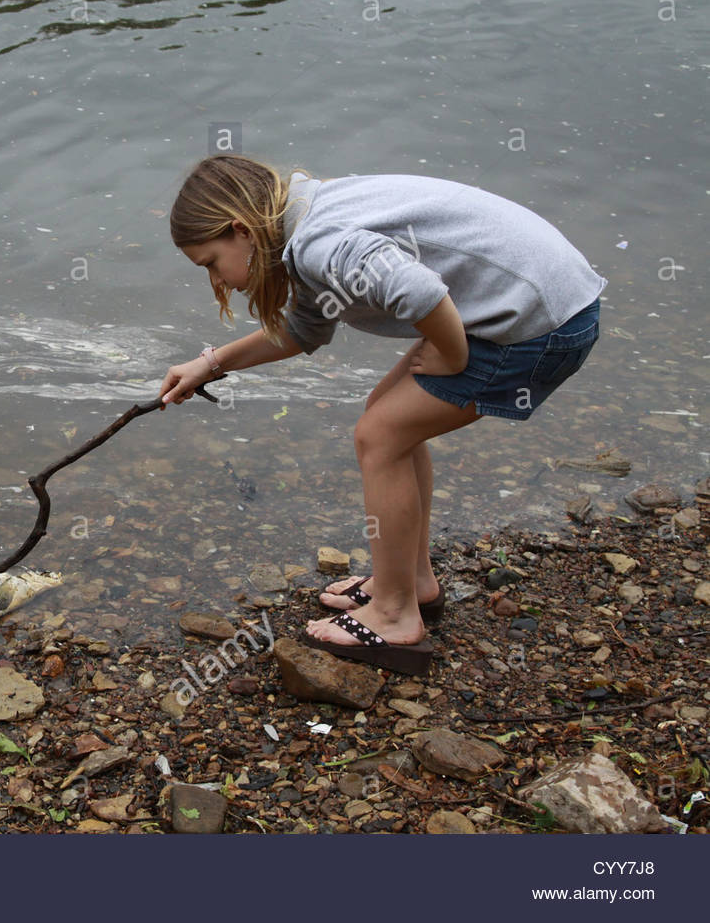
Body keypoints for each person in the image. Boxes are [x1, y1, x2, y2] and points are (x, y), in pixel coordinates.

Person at [158, 154, 605, 675]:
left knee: (381, 436)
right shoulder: (300, 219)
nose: (219, 280)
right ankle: (411, 583)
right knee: (386, 422)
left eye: (211, 262)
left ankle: (394, 617)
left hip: (535, 320)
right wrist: (210, 364)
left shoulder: (319, 242)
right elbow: (304, 331)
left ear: (240, 229)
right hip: (546, 297)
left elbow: (419, 292)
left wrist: (452, 354)